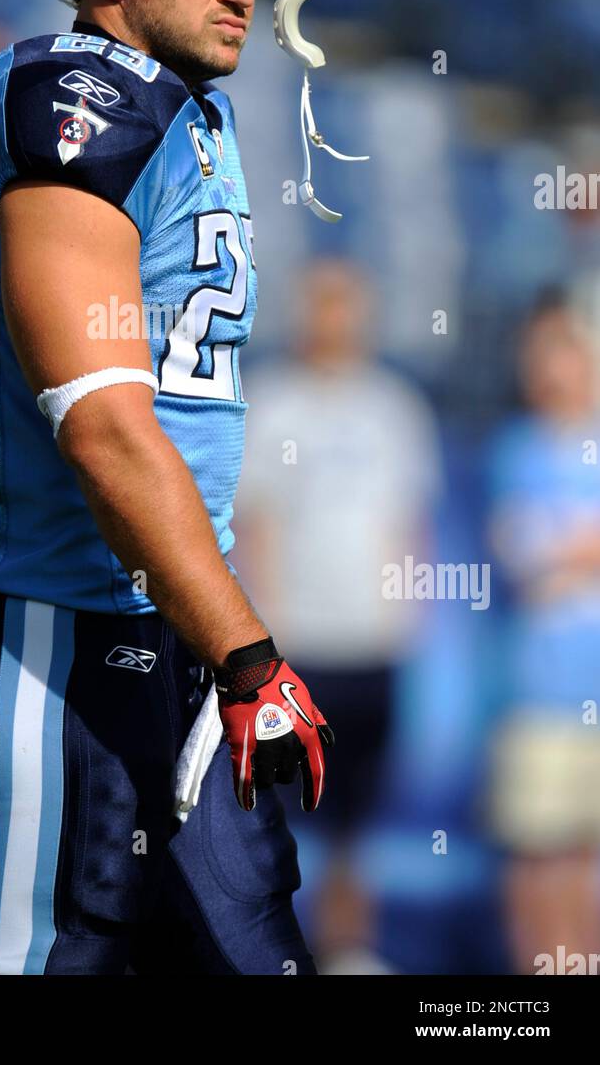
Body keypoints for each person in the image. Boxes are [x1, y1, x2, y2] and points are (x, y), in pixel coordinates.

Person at [0, 0, 335, 976]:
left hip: (173, 641)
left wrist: (219, 649)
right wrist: (251, 656)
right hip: (68, 646)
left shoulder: (175, 107)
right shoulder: (72, 98)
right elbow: (102, 423)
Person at [234, 258, 443, 973]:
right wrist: (264, 638)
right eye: (320, 303)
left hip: (369, 647)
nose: (333, 318)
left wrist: (402, 621)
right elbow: (255, 527)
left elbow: (406, 524)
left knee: (353, 826)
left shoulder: (394, 409)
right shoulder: (272, 403)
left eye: (345, 304)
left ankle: (347, 952)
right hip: (294, 652)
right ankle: (271, 954)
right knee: (268, 824)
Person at [485, 291, 600, 973]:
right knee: (537, 857)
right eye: (538, 352)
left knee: (586, 863)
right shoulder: (515, 450)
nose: (549, 367)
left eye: (563, 348)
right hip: (539, 699)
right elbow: (522, 552)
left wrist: (565, 548)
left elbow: (555, 549)